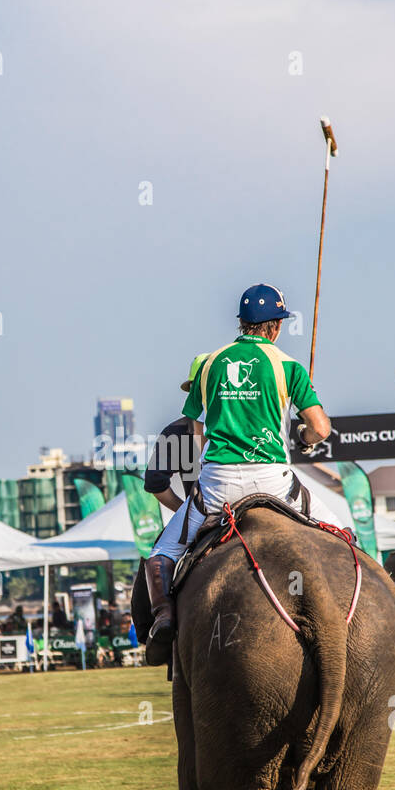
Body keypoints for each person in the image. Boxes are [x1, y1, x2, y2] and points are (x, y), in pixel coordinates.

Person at [144, 283, 340, 664]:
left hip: (219, 484)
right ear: (276, 326)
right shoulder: (288, 367)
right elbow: (320, 428)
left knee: (162, 553)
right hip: (275, 482)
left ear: (241, 323)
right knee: (345, 536)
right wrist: (304, 436)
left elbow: (196, 429)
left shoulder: (208, 364)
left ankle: (164, 618)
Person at [143, 354, 208, 512]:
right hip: (250, 506)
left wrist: (185, 512)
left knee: (166, 539)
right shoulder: (246, 424)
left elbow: (154, 482)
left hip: (203, 515)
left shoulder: (176, 432)